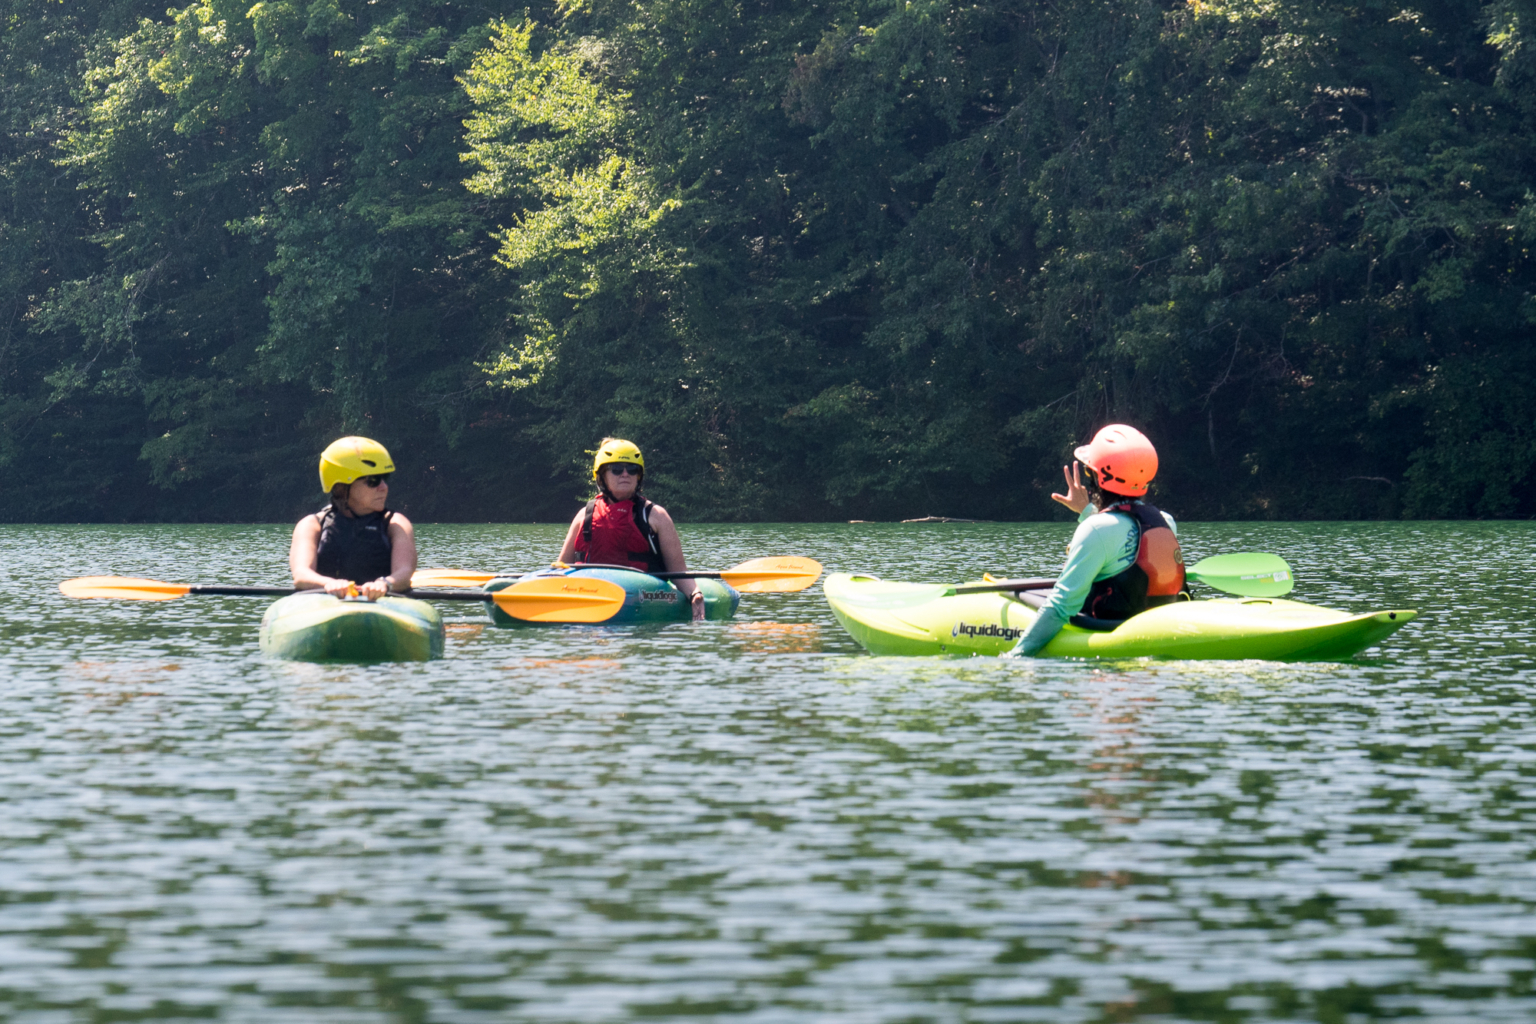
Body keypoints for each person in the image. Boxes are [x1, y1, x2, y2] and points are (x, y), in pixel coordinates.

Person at [1009, 424, 1186, 656]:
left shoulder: (1095, 529)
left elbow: (1063, 606)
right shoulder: (1165, 522)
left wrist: (1013, 658)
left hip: (1109, 632)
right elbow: (1120, 534)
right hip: (1161, 628)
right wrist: (1087, 511)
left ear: (1097, 478)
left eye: (1088, 472)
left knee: (1036, 599)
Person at [557, 438, 705, 621]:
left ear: (639, 476)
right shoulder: (584, 515)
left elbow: (678, 572)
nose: (625, 474)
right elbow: (561, 569)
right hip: (588, 594)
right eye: (617, 469)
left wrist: (694, 593)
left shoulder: (656, 516)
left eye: (632, 469)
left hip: (642, 599)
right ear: (602, 476)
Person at [288, 436, 418, 601]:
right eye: (373, 481)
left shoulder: (395, 523)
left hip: (384, 604)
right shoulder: (312, 525)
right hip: (325, 604)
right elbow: (301, 575)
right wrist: (329, 584)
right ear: (342, 487)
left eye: (384, 478)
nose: (384, 487)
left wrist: (385, 584)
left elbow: (404, 573)